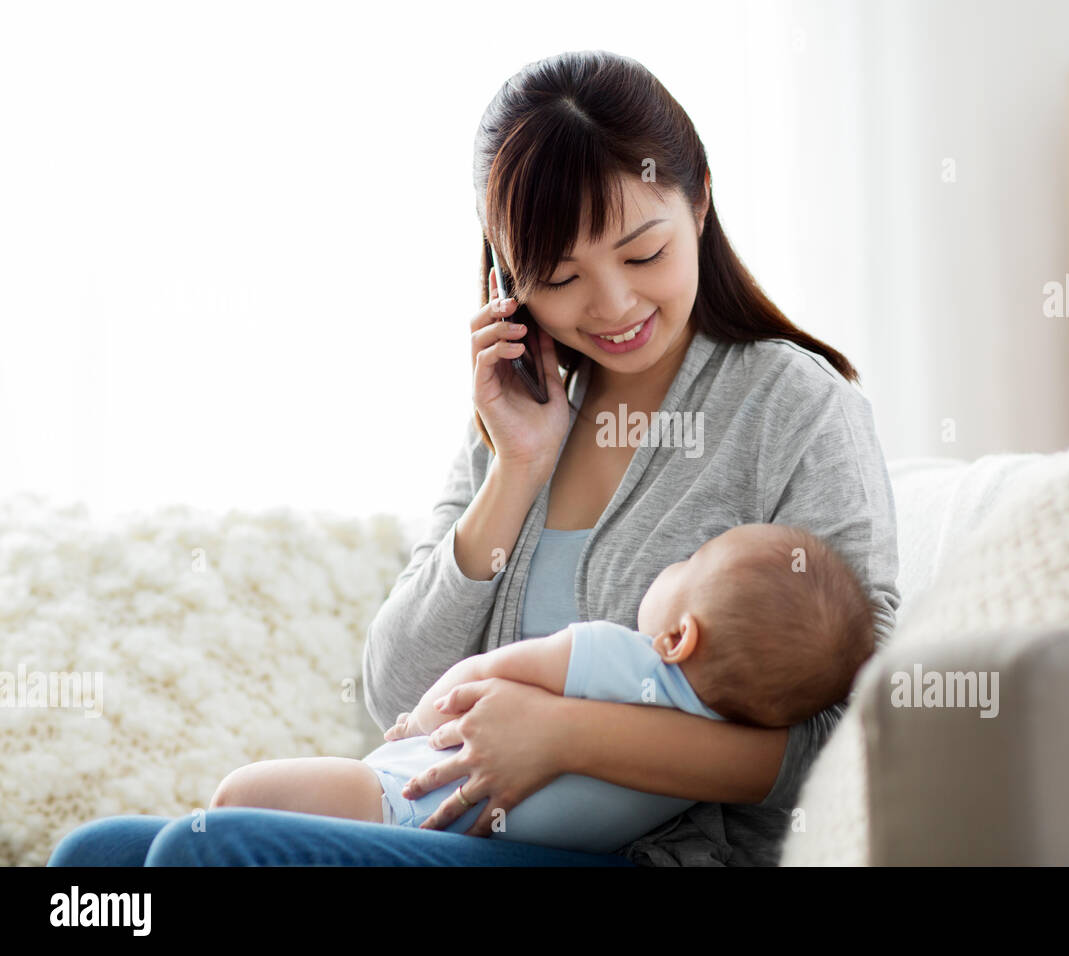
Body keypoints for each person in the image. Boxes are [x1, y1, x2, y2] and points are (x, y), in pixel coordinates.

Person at [47, 49, 899, 868]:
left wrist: (564, 734)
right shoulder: (523, 409)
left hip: (651, 855)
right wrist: (517, 470)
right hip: (455, 829)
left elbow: (849, 732)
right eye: (560, 278)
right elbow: (395, 689)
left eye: (644, 253)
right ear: (506, 280)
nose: (614, 304)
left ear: (701, 199)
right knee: (97, 861)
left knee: (218, 851)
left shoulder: (796, 408)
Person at [202, 524, 876, 855]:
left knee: (230, 808)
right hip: (463, 836)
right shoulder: (711, 749)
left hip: (403, 797)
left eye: (688, 565)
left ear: (677, 639)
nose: (672, 563)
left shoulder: (622, 655)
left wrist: (422, 719)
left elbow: (492, 670)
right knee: (114, 854)